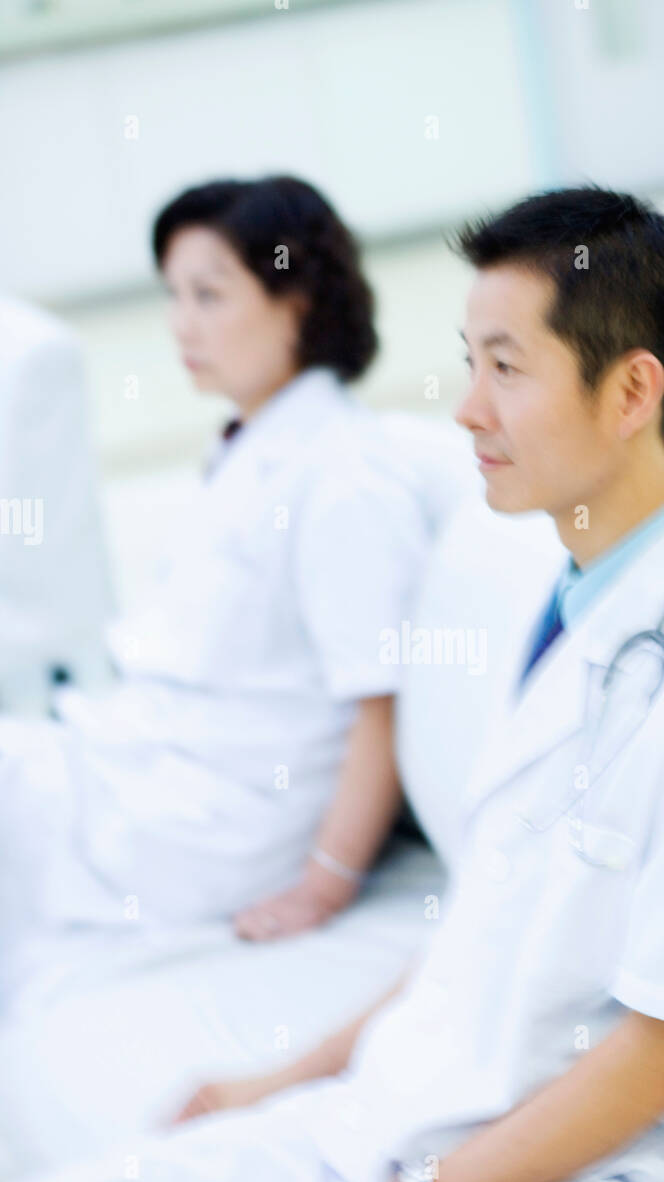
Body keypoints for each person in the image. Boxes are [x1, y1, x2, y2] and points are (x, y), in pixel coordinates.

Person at [1, 187, 664, 1182]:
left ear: (631, 391)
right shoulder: (579, 617)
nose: (465, 410)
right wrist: (287, 1079)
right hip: (422, 1124)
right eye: (468, 363)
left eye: (505, 368)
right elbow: (486, 929)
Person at [0, 176, 458, 986]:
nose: (181, 324)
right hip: (143, 766)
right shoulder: (255, 448)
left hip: (210, 820)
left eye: (209, 295)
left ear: (298, 301)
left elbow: (379, 706)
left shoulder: (345, 478)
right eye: (174, 296)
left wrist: (324, 884)